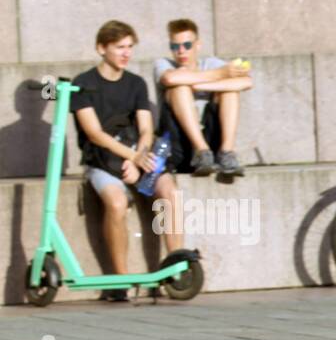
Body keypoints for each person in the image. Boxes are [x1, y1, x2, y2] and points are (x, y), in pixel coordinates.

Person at [71, 20, 185, 302]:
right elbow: (94, 134)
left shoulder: (135, 83)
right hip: (102, 160)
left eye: (130, 47)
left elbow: (146, 129)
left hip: (137, 155)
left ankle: (176, 269)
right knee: (117, 201)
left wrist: (138, 159)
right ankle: (120, 280)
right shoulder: (83, 84)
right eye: (119, 47)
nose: (126, 53)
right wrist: (130, 156)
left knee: (169, 192)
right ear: (102, 48)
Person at [154, 18, 253, 176]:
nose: (181, 51)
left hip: (212, 141)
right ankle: (201, 151)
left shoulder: (210, 63)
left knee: (229, 92)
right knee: (179, 88)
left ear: (197, 45)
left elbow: (246, 82)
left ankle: (226, 153)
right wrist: (220, 75)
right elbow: (170, 79)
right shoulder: (164, 64)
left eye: (187, 45)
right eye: (175, 46)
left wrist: (200, 85)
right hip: (179, 147)